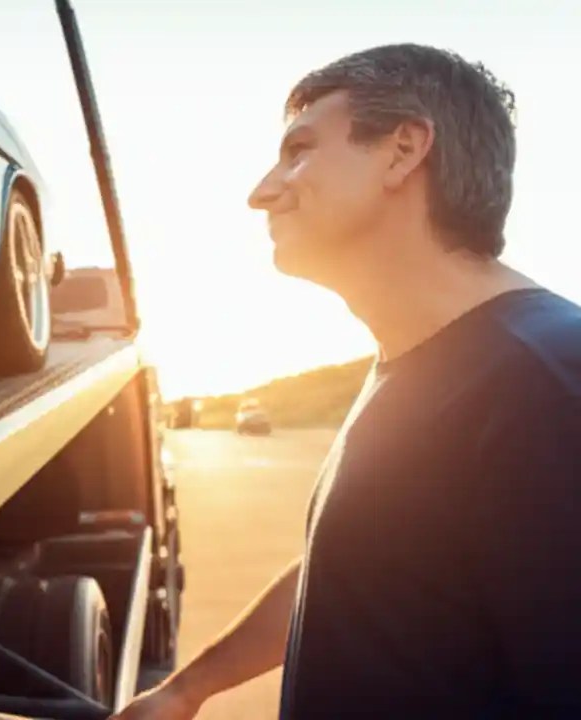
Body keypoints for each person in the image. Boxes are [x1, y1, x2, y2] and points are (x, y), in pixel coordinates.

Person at [114, 43, 581, 719]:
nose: (262, 191)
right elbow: (349, 576)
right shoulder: (418, 364)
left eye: (299, 151)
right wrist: (189, 688)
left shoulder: (547, 388)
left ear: (402, 151)